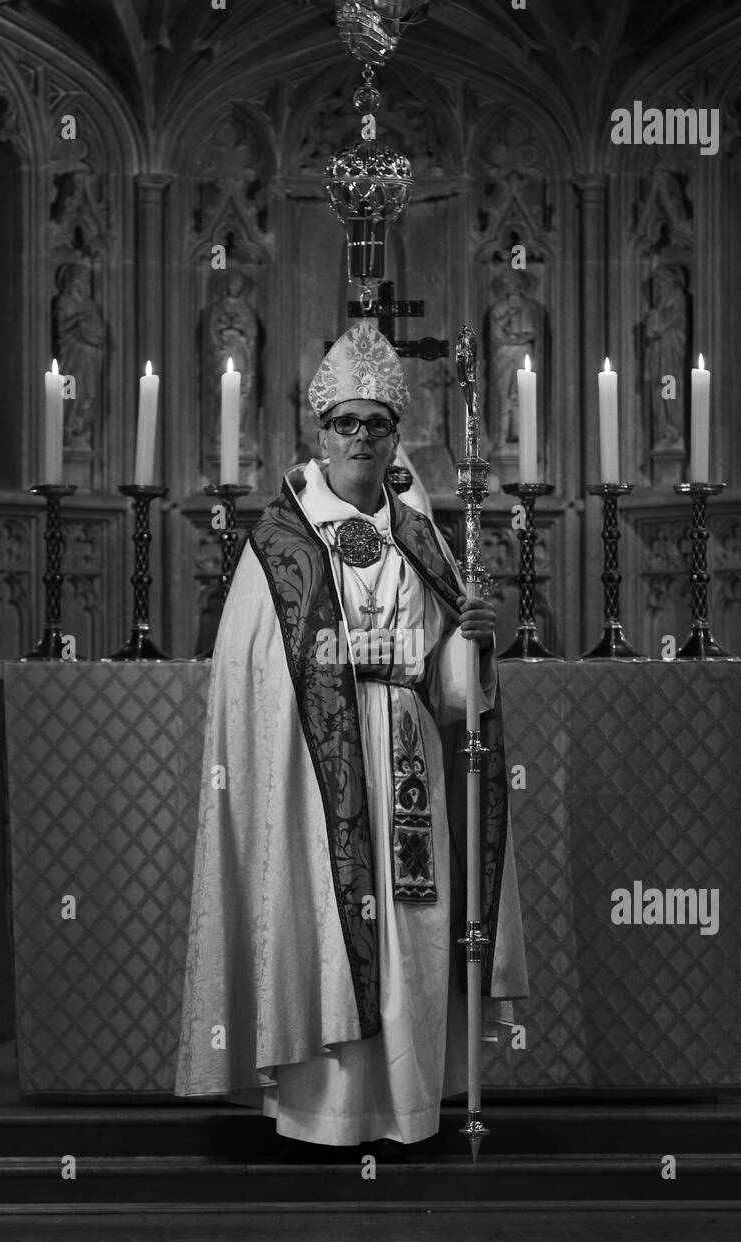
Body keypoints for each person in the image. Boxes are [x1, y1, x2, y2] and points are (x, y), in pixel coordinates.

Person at [174, 321, 528, 1152]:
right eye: (345, 423)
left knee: (413, 925)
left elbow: (452, 689)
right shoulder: (281, 544)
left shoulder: (420, 533)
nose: (360, 438)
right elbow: (252, 678)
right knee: (327, 928)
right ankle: (326, 1112)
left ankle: (406, 1106)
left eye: (377, 423)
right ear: (319, 432)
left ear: (397, 434)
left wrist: (474, 642)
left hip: (405, 756)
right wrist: (337, 664)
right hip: (312, 772)